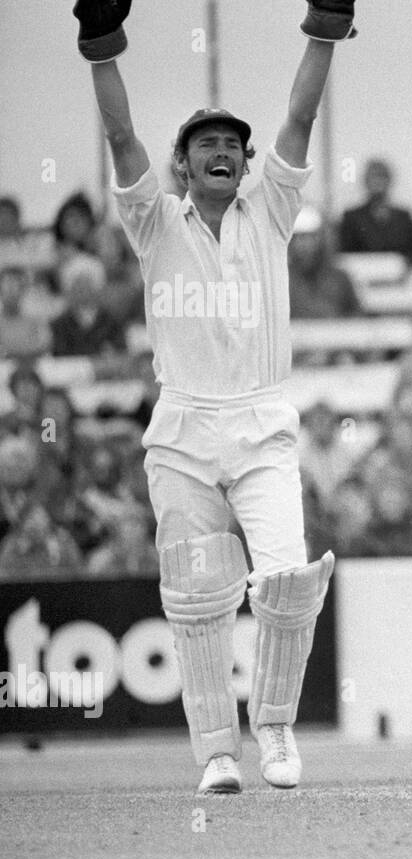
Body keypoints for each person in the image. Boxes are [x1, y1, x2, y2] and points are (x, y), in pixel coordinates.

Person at [78, 0, 350, 794]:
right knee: (197, 604)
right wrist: (102, 48)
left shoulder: (270, 211)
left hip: (263, 424)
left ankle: (274, 733)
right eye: (207, 145)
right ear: (185, 164)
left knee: (288, 583)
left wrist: (325, 25)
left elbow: (301, 112)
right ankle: (218, 756)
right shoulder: (152, 223)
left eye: (233, 144)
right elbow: (121, 139)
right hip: (184, 428)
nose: (223, 152)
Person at [337, 158, 412, 264]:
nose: (377, 182)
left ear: (389, 181)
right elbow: (345, 256)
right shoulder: (352, 217)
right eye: (373, 177)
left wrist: (397, 263)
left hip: (397, 276)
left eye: (382, 176)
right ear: (365, 181)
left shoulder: (404, 217)